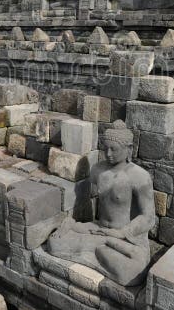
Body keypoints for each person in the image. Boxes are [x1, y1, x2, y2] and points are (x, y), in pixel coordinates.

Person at [46, 121, 155, 287]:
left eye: (114, 149)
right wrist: (78, 226)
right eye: (105, 148)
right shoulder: (97, 170)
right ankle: (95, 249)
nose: (108, 154)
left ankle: (95, 249)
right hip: (99, 230)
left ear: (129, 149)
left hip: (127, 239)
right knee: (54, 244)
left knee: (131, 272)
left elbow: (148, 218)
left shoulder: (139, 177)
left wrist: (123, 233)